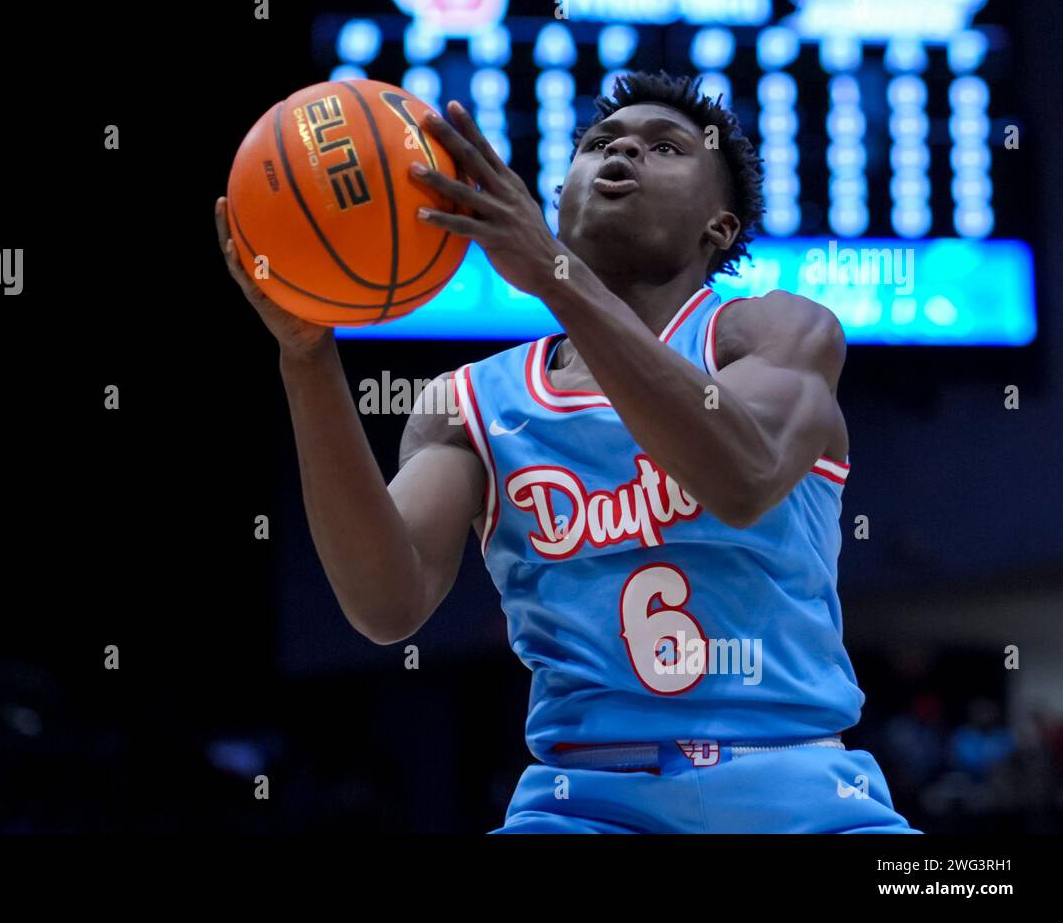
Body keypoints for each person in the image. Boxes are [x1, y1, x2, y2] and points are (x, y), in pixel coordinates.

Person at [215, 71, 919, 833]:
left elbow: (742, 476)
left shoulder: (772, 333)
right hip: (583, 802)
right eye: (598, 145)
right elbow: (387, 604)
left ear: (719, 226)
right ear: (556, 200)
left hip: (799, 788)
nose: (621, 155)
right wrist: (308, 359)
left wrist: (558, 278)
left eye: (665, 147)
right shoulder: (469, 403)